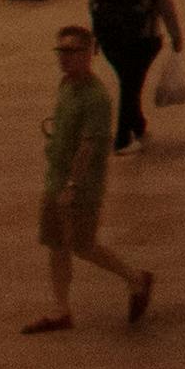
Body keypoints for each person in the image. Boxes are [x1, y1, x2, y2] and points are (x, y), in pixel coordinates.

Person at [27, 21, 155, 331]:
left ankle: (135, 279)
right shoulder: (66, 86)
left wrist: (73, 184)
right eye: (61, 50)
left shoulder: (96, 98)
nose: (64, 57)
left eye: (72, 51)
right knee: (56, 243)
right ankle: (61, 309)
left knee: (83, 245)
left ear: (89, 53)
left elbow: (89, 145)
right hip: (56, 178)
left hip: (80, 186)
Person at [89, 0, 185, 145]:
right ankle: (123, 137)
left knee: (129, 81)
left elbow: (93, 6)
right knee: (131, 83)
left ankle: (137, 124)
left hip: (111, 40)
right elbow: (167, 9)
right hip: (143, 41)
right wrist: (176, 36)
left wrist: (96, 37)